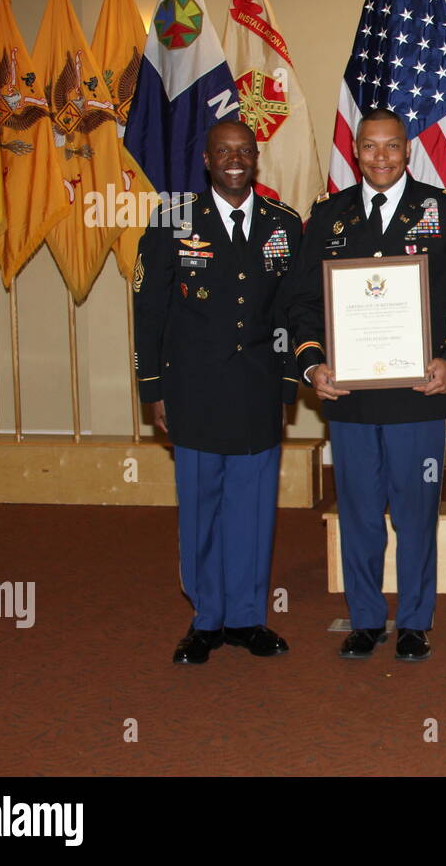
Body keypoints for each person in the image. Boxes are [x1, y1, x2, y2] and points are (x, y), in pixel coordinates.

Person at [287, 108, 446, 663]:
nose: (381, 157)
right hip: (349, 398)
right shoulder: (329, 217)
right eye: (370, 147)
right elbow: (302, 304)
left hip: (419, 394)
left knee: (417, 510)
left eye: (391, 147)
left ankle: (416, 620)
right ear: (355, 151)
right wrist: (313, 365)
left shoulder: (442, 211)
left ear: (407, 149)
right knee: (359, 510)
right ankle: (367, 617)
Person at [133, 119, 303, 664]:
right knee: (201, 507)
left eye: (244, 151)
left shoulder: (285, 224)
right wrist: (153, 389)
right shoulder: (172, 220)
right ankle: (206, 620)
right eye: (223, 151)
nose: (235, 159)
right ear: (207, 160)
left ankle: (248, 617)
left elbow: (291, 312)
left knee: (253, 510)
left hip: (257, 390)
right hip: (194, 391)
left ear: (257, 159)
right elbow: (149, 311)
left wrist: (285, 387)